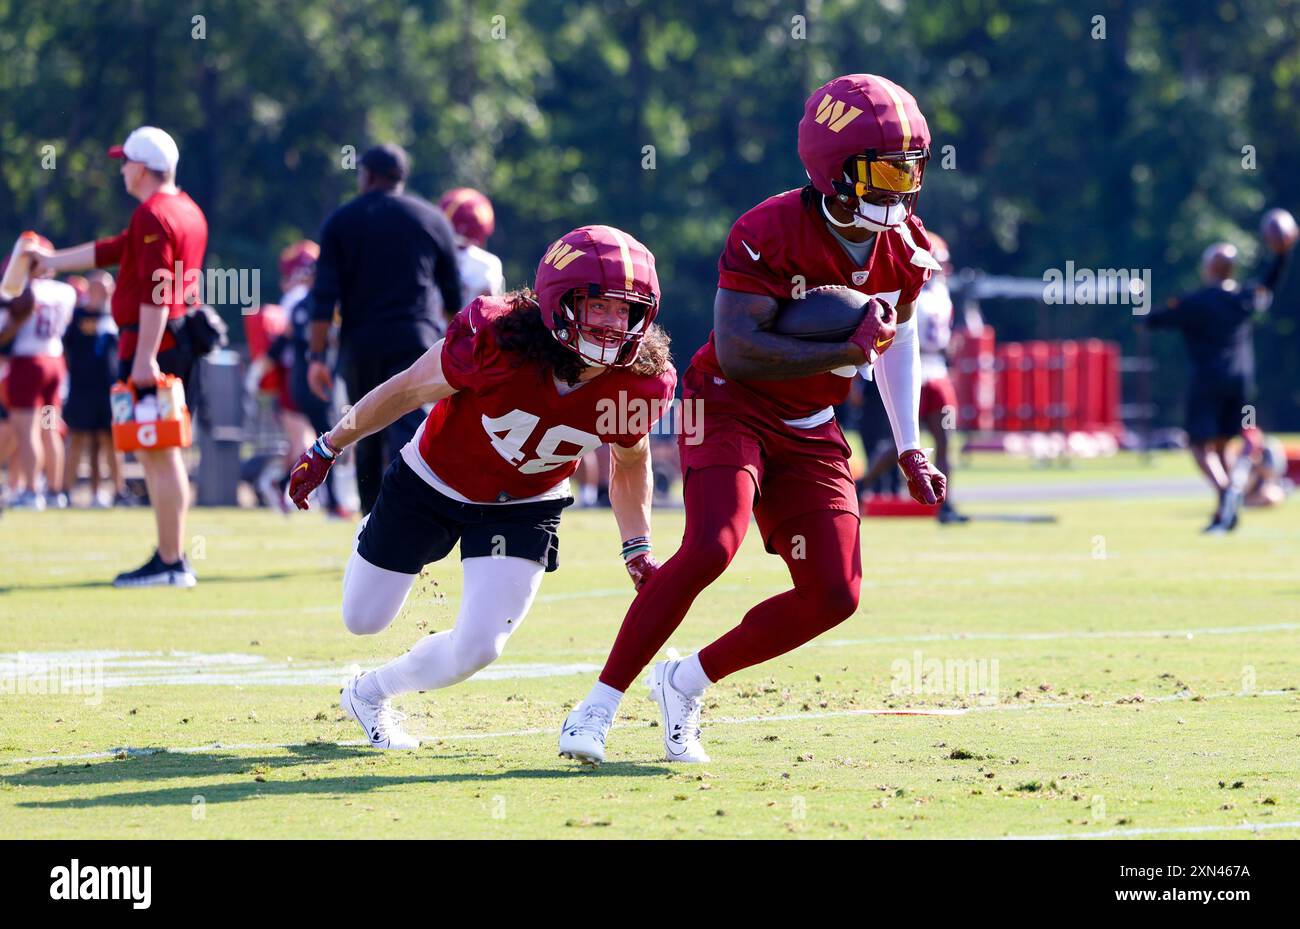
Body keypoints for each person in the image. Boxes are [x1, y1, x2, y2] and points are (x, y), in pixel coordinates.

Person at [559, 74, 947, 765]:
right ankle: (596, 707)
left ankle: (685, 682)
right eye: (888, 169)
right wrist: (845, 345)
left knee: (835, 592)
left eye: (911, 168)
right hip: (728, 401)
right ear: (837, 170)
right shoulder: (768, 229)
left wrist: (911, 444)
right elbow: (739, 349)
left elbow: (899, 335)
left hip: (810, 419)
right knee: (712, 543)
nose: (904, 186)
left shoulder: (906, 247)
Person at [287, 225, 675, 750]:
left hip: (525, 504)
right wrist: (329, 445)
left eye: (624, 310)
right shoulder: (496, 338)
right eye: (598, 307)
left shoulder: (642, 379)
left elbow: (631, 462)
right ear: (561, 302)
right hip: (433, 480)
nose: (612, 325)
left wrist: (638, 546)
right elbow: (405, 391)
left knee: (480, 646)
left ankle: (370, 692)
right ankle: (376, 531)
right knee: (363, 619)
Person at [29, 126, 208, 585]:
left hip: (154, 344)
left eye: (124, 162)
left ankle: (171, 561)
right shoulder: (184, 209)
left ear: (143, 167)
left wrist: (143, 357)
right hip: (172, 341)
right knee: (161, 451)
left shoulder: (153, 214)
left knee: (158, 453)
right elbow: (111, 251)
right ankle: (171, 556)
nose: (121, 170)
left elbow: (156, 291)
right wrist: (49, 262)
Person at [305, 144, 463, 515]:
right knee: (409, 419)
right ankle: (412, 510)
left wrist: (316, 357)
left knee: (363, 426)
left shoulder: (342, 220)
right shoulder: (432, 218)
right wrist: (461, 346)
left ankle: (371, 521)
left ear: (368, 175)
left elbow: (323, 298)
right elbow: (452, 292)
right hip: (416, 339)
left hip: (362, 343)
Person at [1145, 235, 1290, 532]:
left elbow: (1153, 319)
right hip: (1240, 382)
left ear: (1209, 268)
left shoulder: (1194, 302)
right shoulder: (1243, 298)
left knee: (1199, 445)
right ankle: (1224, 514)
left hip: (1208, 380)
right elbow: (1268, 285)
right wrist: (1282, 254)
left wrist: (1146, 307)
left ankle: (1227, 494)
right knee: (1224, 445)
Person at [856, 231, 967, 522]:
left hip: (936, 371)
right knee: (904, 443)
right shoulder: (914, 290)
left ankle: (946, 504)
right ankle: (863, 484)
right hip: (915, 368)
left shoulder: (940, 293)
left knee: (944, 441)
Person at [0, 242, 76, 509]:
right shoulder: (65, 291)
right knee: (49, 428)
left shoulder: (21, 292)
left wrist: (17, 320)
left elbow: (3, 333)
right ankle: (55, 491)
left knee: (27, 430)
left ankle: (32, 490)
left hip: (28, 364)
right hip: (54, 363)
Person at [62, 270, 125, 508]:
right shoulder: (79, 315)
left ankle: (116, 491)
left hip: (110, 389)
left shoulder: (117, 315)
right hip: (82, 387)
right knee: (78, 438)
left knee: (109, 440)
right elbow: (67, 347)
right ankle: (65, 490)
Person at [437, 187, 506, 316]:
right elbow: (492, 311)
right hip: (473, 333)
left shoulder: (429, 258)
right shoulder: (488, 263)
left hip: (433, 333)